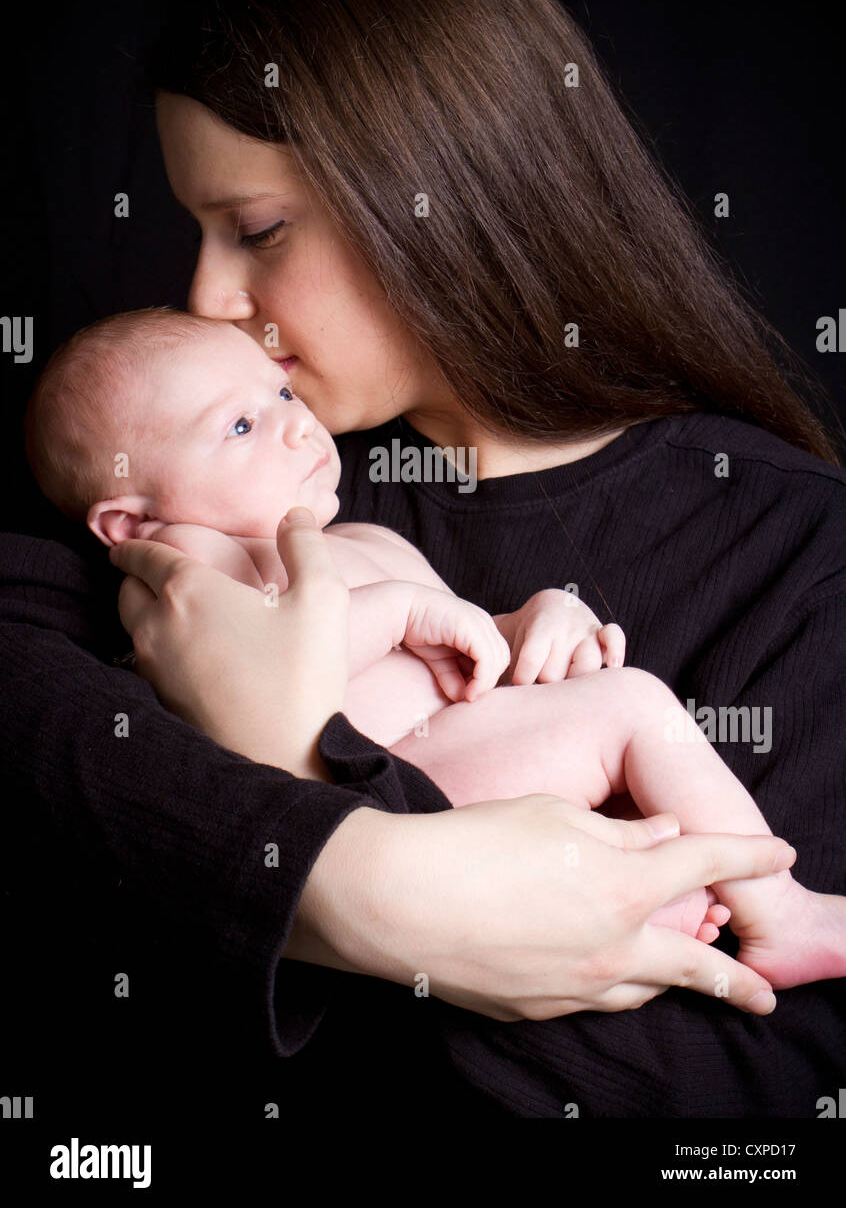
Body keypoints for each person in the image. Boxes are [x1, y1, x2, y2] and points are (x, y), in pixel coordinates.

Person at [3, 0, 844, 1119]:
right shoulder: (177, 510)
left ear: (438, 195)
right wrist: (373, 886)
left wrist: (296, 791)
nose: (204, 297)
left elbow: (747, 1099)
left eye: (256, 229)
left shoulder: (794, 550)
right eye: (194, 232)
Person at [24, 305, 846, 993]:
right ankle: (781, 910)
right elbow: (266, 670)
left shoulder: (360, 535)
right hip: (402, 795)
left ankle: (648, 906)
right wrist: (399, 610)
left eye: (279, 392)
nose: (295, 426)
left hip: (464, 773)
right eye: (240, 425)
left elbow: (461, 646)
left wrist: (534, 624)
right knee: (632, 709)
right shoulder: (187, 573)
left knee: (620, 729)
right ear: (130, 524)